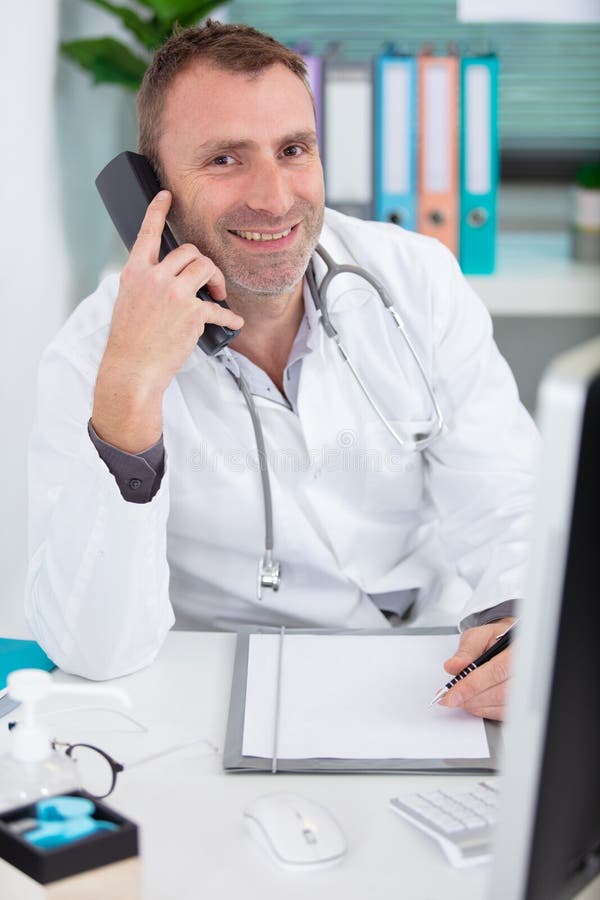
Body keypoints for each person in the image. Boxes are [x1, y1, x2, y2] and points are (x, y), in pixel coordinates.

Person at [25, 21, 538, 719]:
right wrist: (131, 389)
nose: (274, 196)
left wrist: (520, 623)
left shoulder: (416, 279)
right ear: (152, 190)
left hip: (431, 668)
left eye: (293, 149)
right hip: (220, 686)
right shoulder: (91, 359)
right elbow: (93, 648)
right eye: (225, 160)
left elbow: (508, 503)